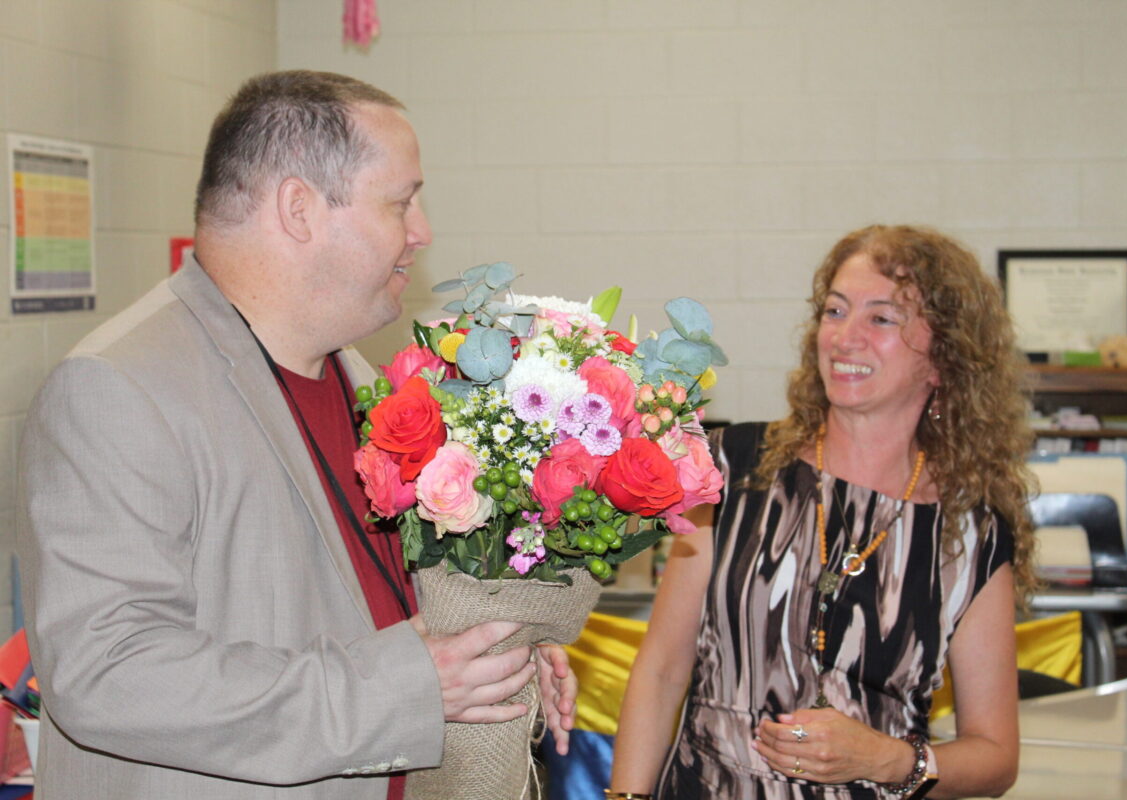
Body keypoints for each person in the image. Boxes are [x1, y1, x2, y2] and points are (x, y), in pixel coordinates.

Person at [16, 70, 576, 800]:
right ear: (299, 209)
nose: (422, 231)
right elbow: (110, 673)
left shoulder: (357, 376)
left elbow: (360, 607)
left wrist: (486, 656)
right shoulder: (118, 387)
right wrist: (410, 685)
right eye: (401, 200)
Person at [609, 225, 1035, 799]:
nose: (844, 337)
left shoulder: (971, 535)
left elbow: (995, 756)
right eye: (835, 311)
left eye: (881, 319)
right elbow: (662, 668)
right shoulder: (734, 466)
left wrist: (886, 759)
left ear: (942, 358)